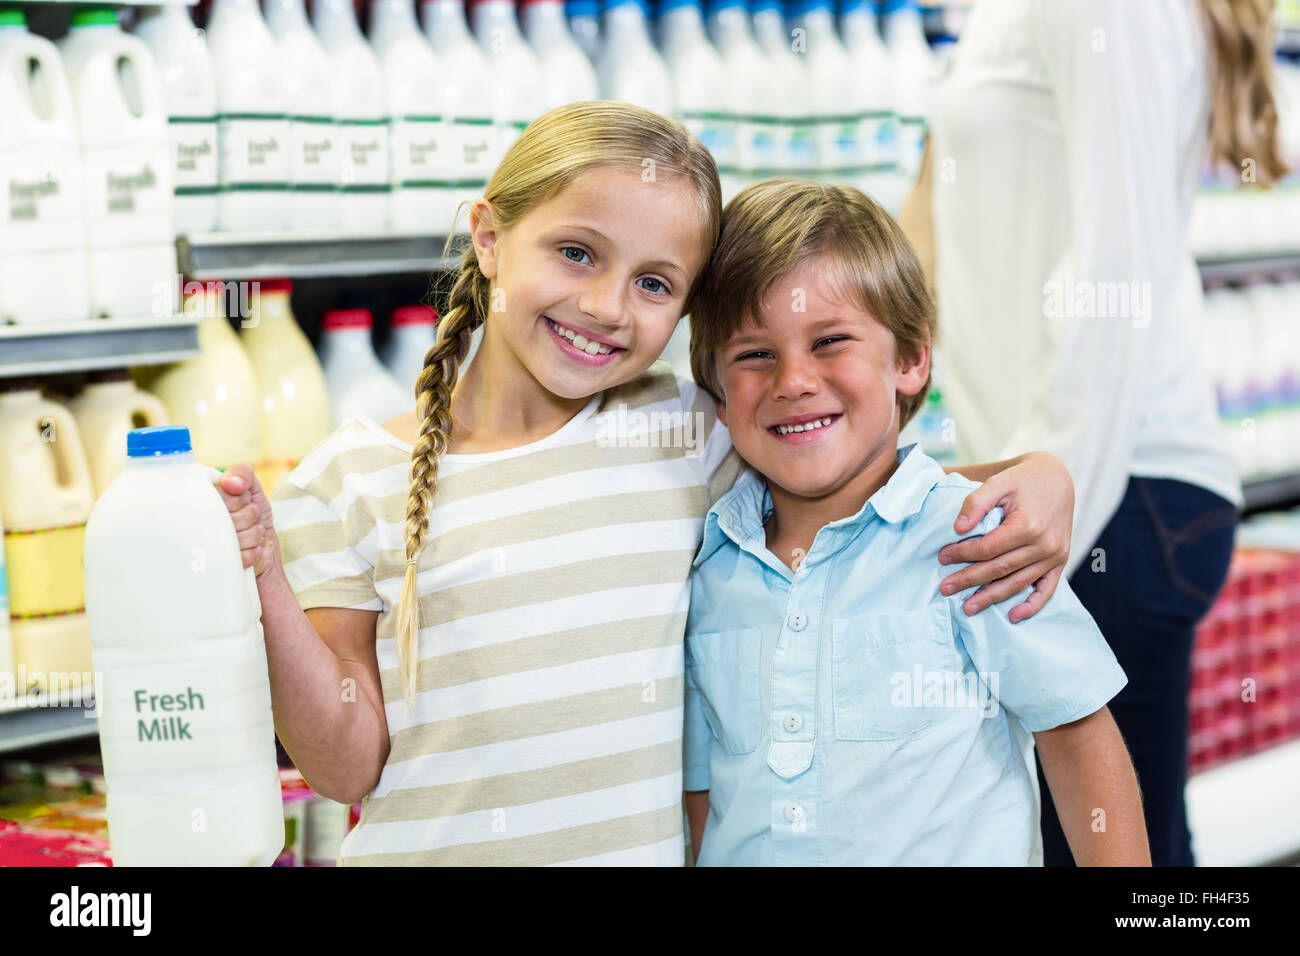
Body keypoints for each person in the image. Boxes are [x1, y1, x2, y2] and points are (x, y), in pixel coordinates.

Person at [214, 101, 1077, 866]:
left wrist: (1035, 474)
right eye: (577, 253)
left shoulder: (681, 431)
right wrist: (266, 585)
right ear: (488, 237)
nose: (607, 307)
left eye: (654, 283)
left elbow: (848, 475)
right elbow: (343, 766)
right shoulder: (346, 481)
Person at [900, 0, 1290, 866]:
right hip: (1070, 486)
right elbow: (927, 234)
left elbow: (1118, 264)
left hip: (1116, 494)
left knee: (1108, 853)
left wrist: (1051, 495)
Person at [682, 178, 1150, 866]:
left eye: (830, 341)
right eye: (755, 355)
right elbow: (704, 792)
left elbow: (1076, 735)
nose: (793, 380)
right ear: (717, 394)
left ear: (910, 360)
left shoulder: (975, 539)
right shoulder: (711, 567)